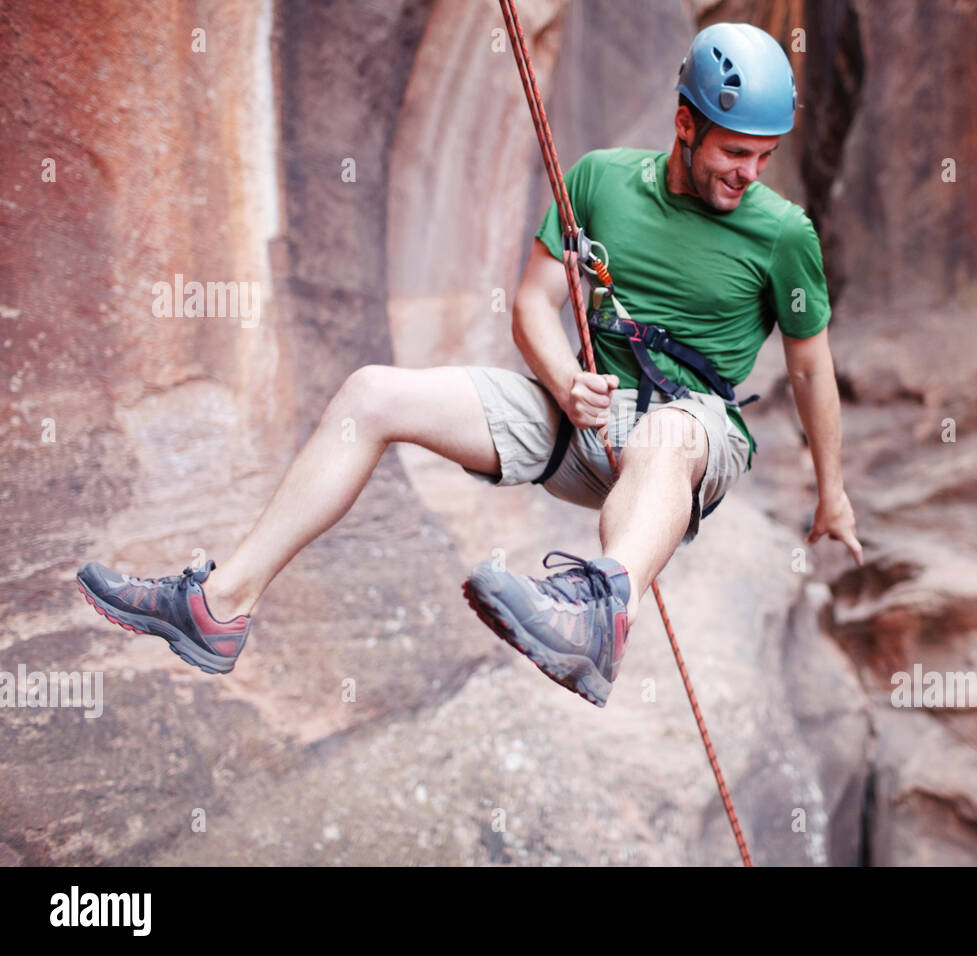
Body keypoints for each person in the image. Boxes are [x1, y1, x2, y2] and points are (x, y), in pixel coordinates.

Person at [76, 22, 862, 709]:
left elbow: (810, 371)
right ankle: (219, 606)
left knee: (669, 437)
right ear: (686, 123)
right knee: (370, 393)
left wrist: (832, 494)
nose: (749, 173)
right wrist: (564, 381)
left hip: (693, 440)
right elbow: (530, 306)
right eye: (735, 151)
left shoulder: (783, 234)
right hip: (585, 418)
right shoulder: (600, 181)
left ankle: (597, 612)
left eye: (765, 155)